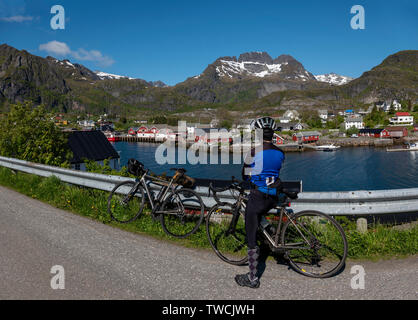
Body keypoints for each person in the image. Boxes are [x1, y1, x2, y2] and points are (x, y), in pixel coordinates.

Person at [235, 117, 285, 288]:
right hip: (273, 197)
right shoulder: (280, 152)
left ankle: (252, 278)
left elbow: (245, 175)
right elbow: (274, 171)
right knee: (261, 215)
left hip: (258, 198)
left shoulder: (254, 152)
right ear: (272, 134)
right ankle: (269, 231)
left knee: (251, 235)